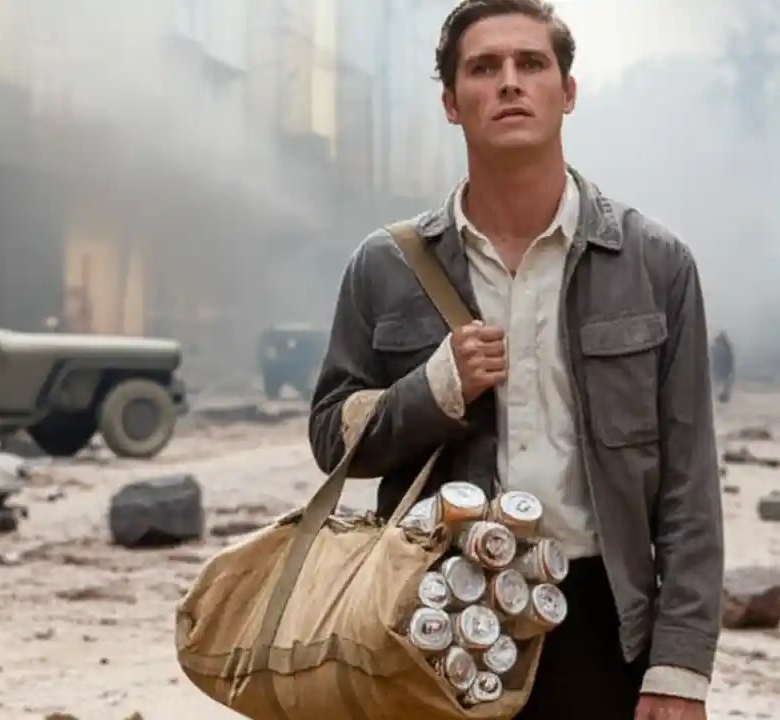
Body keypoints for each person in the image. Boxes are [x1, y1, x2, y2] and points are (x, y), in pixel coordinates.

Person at [308, 2, 722, 718]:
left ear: (568, 92)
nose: (509, 82)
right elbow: (330, 437)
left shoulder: (655, 264)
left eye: (531, 63)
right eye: (483, 68)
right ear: (451, 103)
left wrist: (680, 667)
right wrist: (436, 387)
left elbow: (690, 481)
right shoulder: (385, 266)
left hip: (603, 624)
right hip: (431, 619)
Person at [711, 331, 735, 403]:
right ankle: (722, 398)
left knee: (719, 386)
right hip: (723, 371)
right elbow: (730, 361)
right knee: (723, 386)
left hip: (720, 371)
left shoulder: (716, 349)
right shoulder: (727, 349)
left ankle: (720, 398)